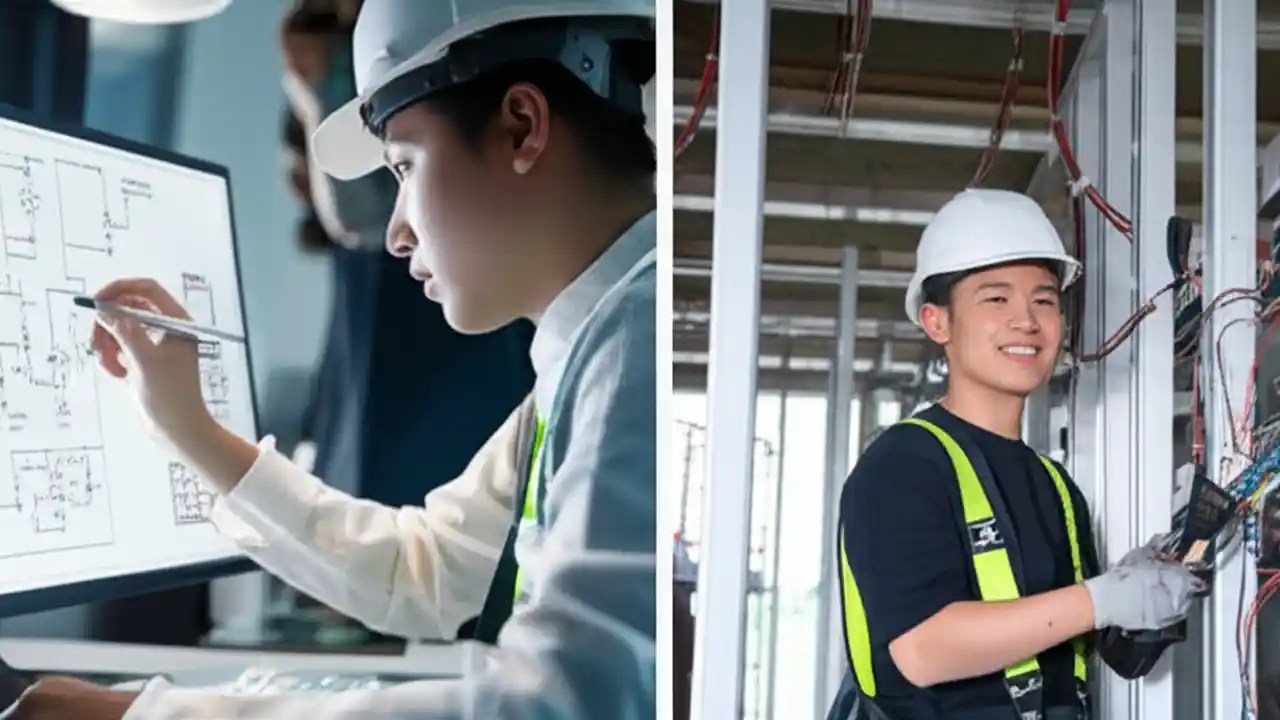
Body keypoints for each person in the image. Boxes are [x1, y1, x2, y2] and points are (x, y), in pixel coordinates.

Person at [10, 0, 656, 717]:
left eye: (405, 166)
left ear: (521, 127)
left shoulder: (634, 349)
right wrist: (191, 431)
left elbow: (575, 702)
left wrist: (155, 716)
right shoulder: (593, 349)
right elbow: (430, 569)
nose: (397, 233)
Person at [826, 189, 1206, 720]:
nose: (1027, 321)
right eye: (996, 299)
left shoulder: (1055, 486)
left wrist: (1142, 601)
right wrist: (1099, 600)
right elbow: (921, 649)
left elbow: (1073, 648)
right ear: (938, 323)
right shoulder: (903, 466)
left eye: (1044, 301)